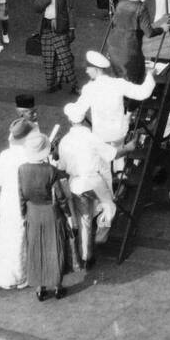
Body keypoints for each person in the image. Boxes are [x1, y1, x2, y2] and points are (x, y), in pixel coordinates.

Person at [56, 102, 118, 270]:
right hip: (94, 182)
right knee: (109, 206)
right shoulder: (92, 137)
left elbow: (61, 166)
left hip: (76, 184)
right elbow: (111, 154)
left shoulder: (65, 141)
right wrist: (127, 148)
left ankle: (86, 257)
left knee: (85, 220)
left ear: (70, 121)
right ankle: (101, 235)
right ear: (84, 120)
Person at [18, 131, 68, 301]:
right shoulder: (51, 170)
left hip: (33, 212)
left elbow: (21, 196)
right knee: (55, 247)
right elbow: (60, 196)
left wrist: (24, 214)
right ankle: (58, 286)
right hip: (50, 213)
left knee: (36, 249)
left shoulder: (22, 169)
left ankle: (40, 288)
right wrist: (67, 214)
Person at [68, 52, 156, 147]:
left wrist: (69, 110)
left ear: (96, 69)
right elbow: (143, 93)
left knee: (103, 158)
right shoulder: (118, 83)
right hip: (119, 132)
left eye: (88, 68)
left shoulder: (89, 88)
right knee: (119, 157)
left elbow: (77, 113)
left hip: (101, 135)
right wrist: (150, 76)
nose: (86, 71)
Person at [0, 118, 35, 289]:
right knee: (19, 239)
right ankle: (20, 276)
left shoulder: (5, 155)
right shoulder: (28, 156)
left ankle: (4, 275)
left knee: (5, 239)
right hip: (21, 202)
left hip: (6, 201)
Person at [105, 0, 155, 84]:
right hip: (130, 50)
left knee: (117, 79)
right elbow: (149, 33)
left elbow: (115, 22)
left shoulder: (121, 5)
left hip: (114, 47)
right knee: (133, 81)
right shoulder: (141, 8)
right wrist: (162, 28)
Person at [36, 0, 77, 94]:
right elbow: (37, 8)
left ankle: (74, 85)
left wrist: (71, 28)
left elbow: (70, 9)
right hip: (46, 26)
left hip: (60, 26)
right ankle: (52, 84)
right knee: (48, 58)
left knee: (65, 57)